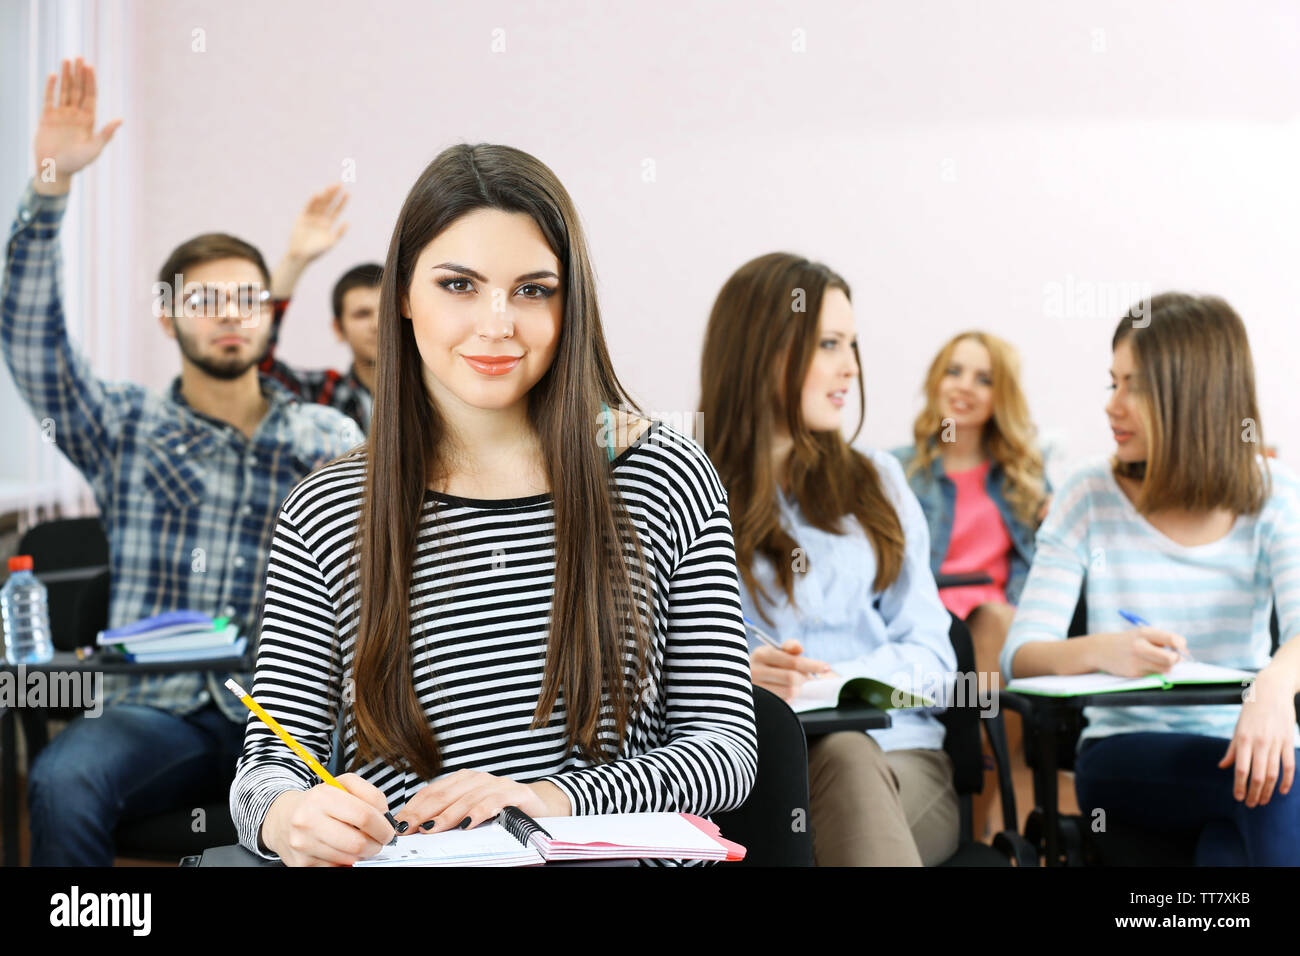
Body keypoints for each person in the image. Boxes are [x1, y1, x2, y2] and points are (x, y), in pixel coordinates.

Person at [230, 143, 758, 866]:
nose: (498, 322)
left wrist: (544, 797)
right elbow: (266, 767)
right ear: (404, 298)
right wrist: (290, 816)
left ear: (571, 302)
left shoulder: (664, 474)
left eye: (534, 289)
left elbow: (725, 751)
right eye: (459, 286)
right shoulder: (326, 508)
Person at [3, 58, 360, 866]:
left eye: (246, 300)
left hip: (294, 716)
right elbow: (30, 340)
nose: (229, 316)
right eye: (204, 301)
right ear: (169, 320)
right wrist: (52, 182)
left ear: (269, 317)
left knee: (373, 799)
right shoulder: (121, 427)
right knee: (64, 780)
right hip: (151, 711)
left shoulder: (329, 441)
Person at [1002, 293, 1300, 865]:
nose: (1112, 405)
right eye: (1111, 383)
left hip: (1247, 741)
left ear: (1192, 397)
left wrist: (1273, 683)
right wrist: (1105, 650)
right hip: (1124, 755)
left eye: (1133, 386)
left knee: (1229, 850)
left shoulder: (1275, 494)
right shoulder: (1088, 495)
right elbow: (1021, 654)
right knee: (1278, 788)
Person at [699, 251, 958, 866]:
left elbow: (937, 661)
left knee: (844, 752)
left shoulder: (881, 481)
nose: (850, 369)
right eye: (828, 344)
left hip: (902, 764)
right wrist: (737, 681)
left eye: (852, 345)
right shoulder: (683, 486)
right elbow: (651, 671)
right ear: (759, 351)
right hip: (755, 780)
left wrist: (839, 684)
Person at [892, 331, 1051, 837]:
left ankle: (983, 797)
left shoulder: (1022, 478)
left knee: (1001, 621)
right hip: (930, 627)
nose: (965, 387)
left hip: (997, 629)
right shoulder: (898, 469)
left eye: (984, 379)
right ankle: (983, 799)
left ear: (1001, 396)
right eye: (955, 371)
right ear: (936, 380)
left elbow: (1037, 579)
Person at [257, 185, 379, 434]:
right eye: (361, 314)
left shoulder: (439, 390)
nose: (378, 324)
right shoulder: (322, 394)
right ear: (338, 329)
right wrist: (295, 260)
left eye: (387, 312)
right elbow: (255, 364)